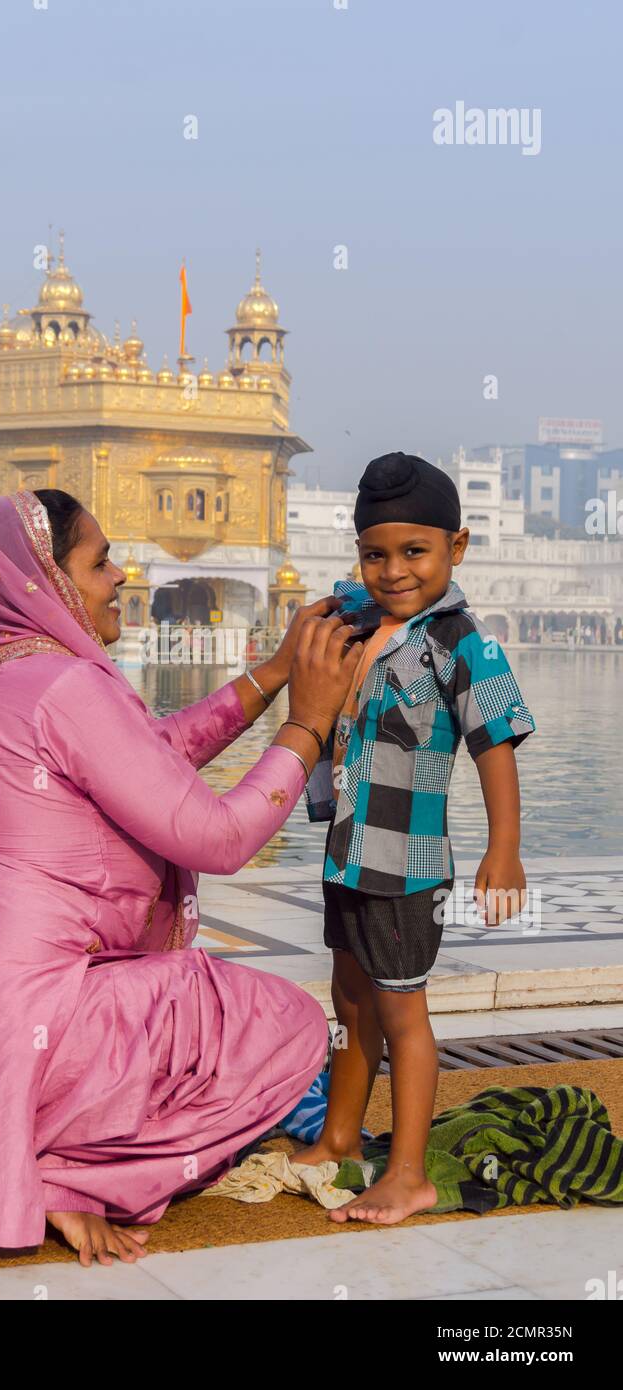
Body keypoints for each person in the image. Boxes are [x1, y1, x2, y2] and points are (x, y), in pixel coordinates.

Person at [0, 488, 362, 1265]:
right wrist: (307, 721)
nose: (120, 577)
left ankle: (22, 1151)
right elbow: (219, 840)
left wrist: (274, 672)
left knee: (151, 994)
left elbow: (151, 757)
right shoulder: (68, 686)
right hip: (32, 1021)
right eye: (100, 562)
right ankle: (69, 1176)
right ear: (46, 581)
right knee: (284, 1023)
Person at [296, 452, 535, 1224]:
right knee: (349, 997)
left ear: (455, 547)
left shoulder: (462, 642)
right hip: (347, 853)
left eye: (413, 551)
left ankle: (406, 1174)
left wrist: (503, 850)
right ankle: (339, 1136)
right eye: (375, 554)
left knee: (401, 1012)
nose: (393, 570)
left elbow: (493, 744)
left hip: (406, 866)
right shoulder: (359, 622)